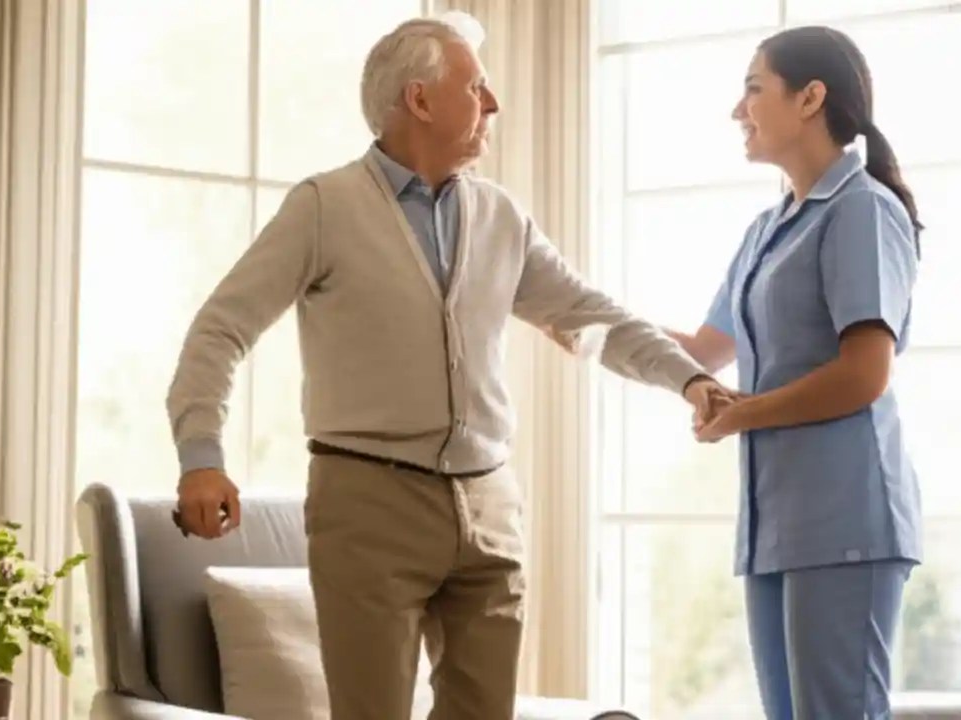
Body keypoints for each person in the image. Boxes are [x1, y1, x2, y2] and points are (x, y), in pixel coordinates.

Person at [166, 12, 725, 720]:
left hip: (490, 505)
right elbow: (220, 331)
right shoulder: (323, 206)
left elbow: (595, 315)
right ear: (420, 99)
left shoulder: (502, 217)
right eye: (477, 86)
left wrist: (689, 378)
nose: (492, 103)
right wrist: (201, 457)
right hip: (368, 502)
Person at [670, 26, 924, 720]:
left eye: (753, 88)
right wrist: (583, 323)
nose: (737, 109)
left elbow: (865, 372)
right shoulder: (766, 229)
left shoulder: (862, 210)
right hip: (774, 526)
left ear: (810, 97)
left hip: (847, 524)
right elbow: (703, 348)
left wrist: (742, 414)